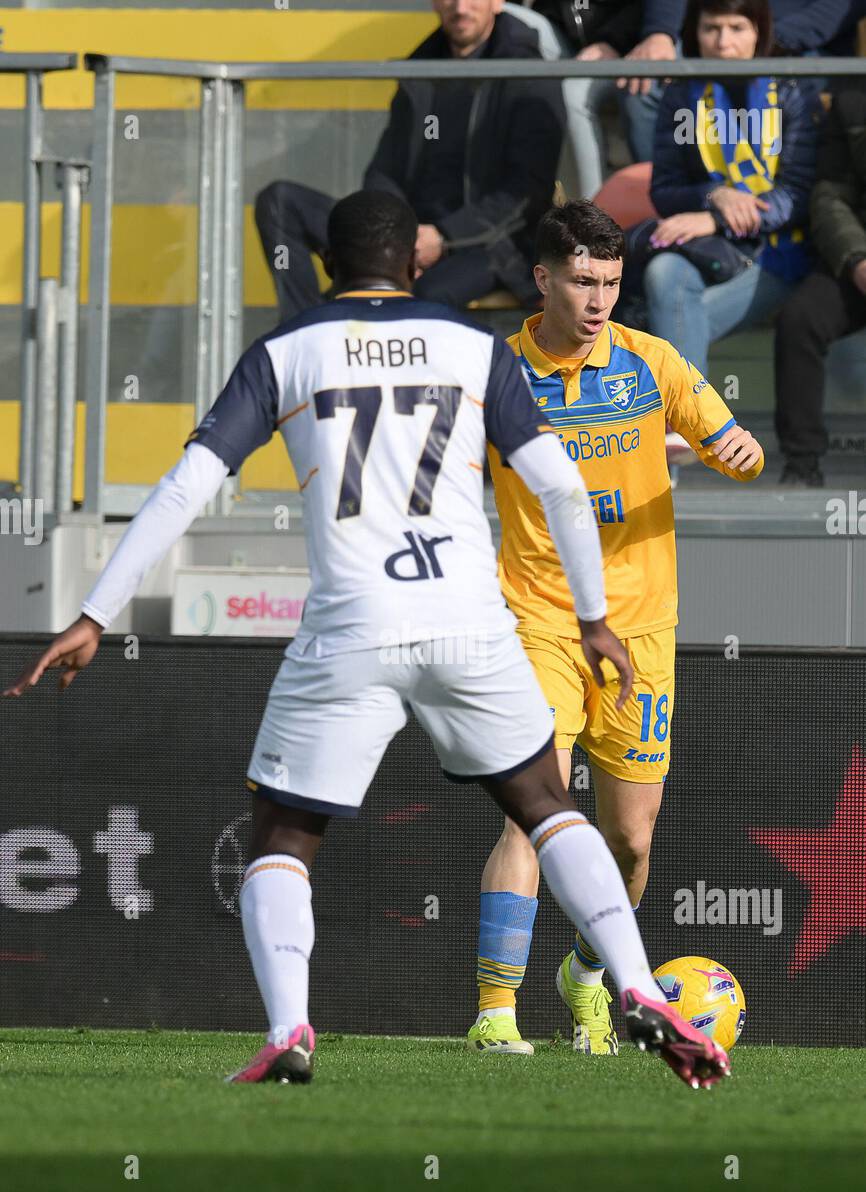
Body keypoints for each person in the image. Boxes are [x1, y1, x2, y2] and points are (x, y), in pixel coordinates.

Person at [3, 191, 730, 1093]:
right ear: (418, 263)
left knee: (282, 830)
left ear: (324, 267)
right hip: (472, 620)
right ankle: (634, 985)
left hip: (352, 624)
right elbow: (564, 491)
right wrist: (592, 618)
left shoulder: (288, 350)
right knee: (547, 805)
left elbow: (188, 487)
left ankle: (289, 1027)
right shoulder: (474, 346)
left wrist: (93, 615)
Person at [467, 199, 763, 1058]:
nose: (599, 299)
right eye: (584, 282)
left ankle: (587, 973)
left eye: (611, 282)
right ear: (544, 280)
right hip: (540, 621)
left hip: (640, 632)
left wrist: (737, 451)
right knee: (533, 813)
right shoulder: (500, 374)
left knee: (630, 841)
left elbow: (723, 434)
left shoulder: (651, 362)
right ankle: (494, 1015)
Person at [255, 0, 564, 319]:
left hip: (491, 245)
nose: (460, 7)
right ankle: (306, 331)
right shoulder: (420, 67)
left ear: (497, 3)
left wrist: (444, 236)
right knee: (281, 201)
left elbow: (526, 192)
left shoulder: (529, 73)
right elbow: (385, 171)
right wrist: (394, 233)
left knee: (419, 298)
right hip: (406, 235)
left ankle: (341, 326)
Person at [637, 0, 820, 381]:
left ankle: (686, 429)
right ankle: (697, 429)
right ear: (695, 33)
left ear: (759, 32)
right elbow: (665, 189)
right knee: (663, 271)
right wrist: (714, 195)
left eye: (737, 28)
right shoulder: (680, 94)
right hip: (714, 250)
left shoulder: (793, 89)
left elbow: (799, 196)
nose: (723, 42)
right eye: (711, 28)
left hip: (779, 250)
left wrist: (714, 217)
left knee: (672, 324)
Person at [774, 78, 866, 486]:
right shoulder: (852, 100)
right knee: (800, 320)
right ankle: (802, 464)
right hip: (858, 259)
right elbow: (830, 196)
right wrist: (857, 259)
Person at [511, 0, 686, 198]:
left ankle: (593, 209)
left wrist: (623, 39)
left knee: (578, 94)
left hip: (637, 40)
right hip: (573, 42)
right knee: (506, 15)